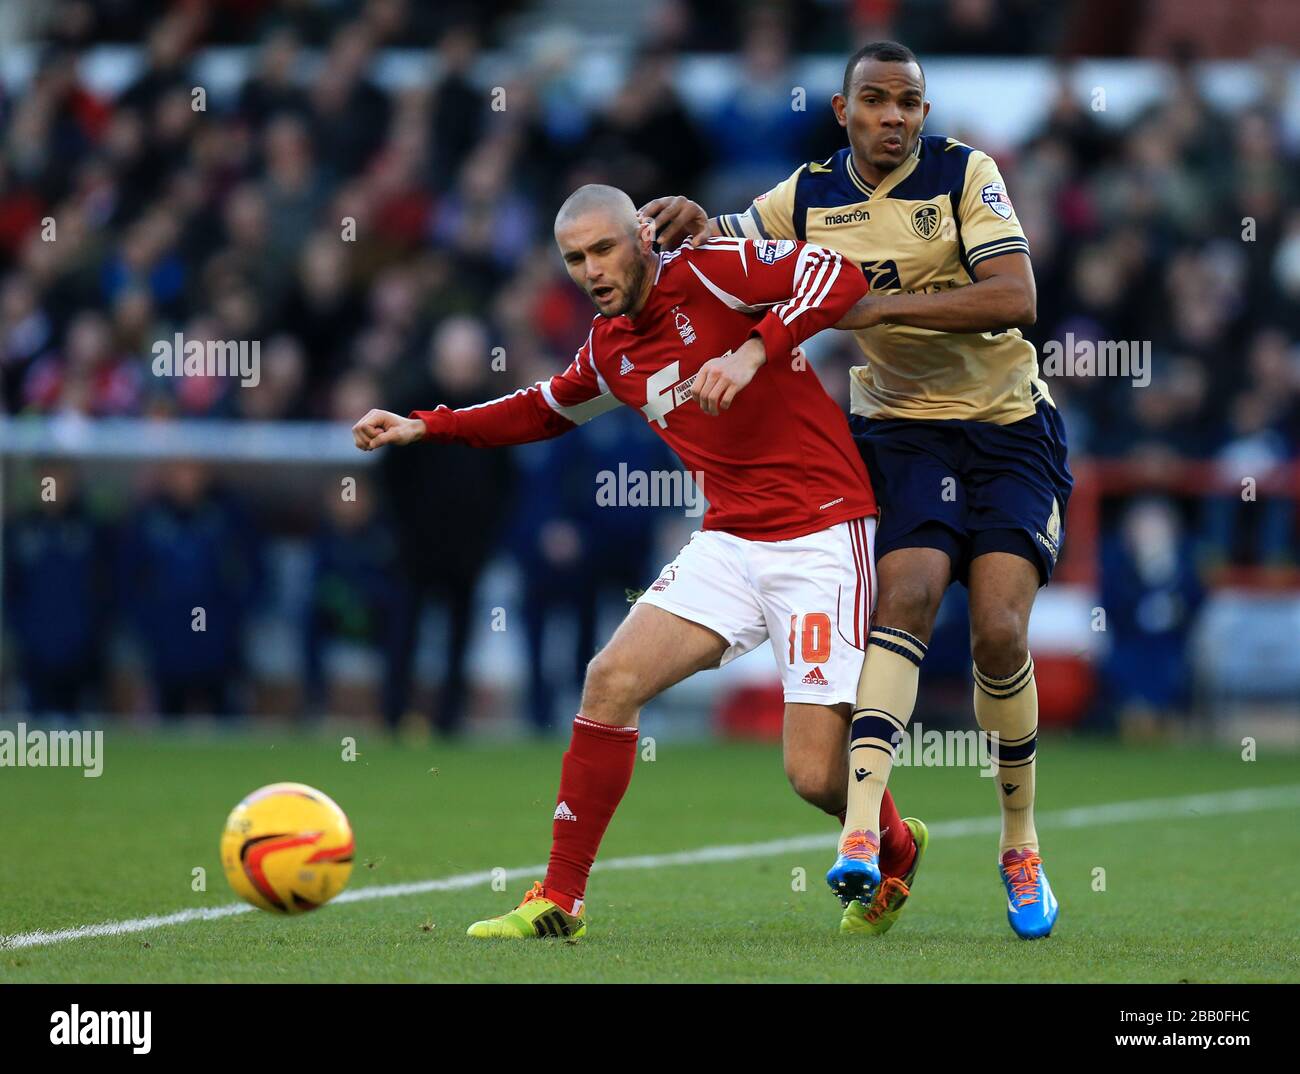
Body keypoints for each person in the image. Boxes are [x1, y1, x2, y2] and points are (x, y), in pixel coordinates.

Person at [352, 183, 924, 939]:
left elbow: (838, 275)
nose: (590, 269)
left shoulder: (715, 268)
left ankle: (898, 846)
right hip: (729, 540)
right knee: (610, 678)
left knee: (816, 776)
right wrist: (426, 426)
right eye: (574, 258)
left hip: (820, 536)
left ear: (642, 240)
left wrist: (756, 348)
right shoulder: (610, 349)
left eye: (603, 248)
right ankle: (561, 897)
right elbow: (540, 409)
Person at [644, 40, 1072, 939]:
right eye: (874, 101)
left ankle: (1019, 840)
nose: (893, 117)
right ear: (843, 112)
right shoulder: (803, 197)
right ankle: (860, 835)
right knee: (908, 594)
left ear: (924, 112)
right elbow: (727, 247)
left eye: (908, 102)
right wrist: (694, 218)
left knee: (998, 629)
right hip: (898, 429)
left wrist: (870, 308)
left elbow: (1015, 294)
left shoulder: (964, 175)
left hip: (1007, 429)